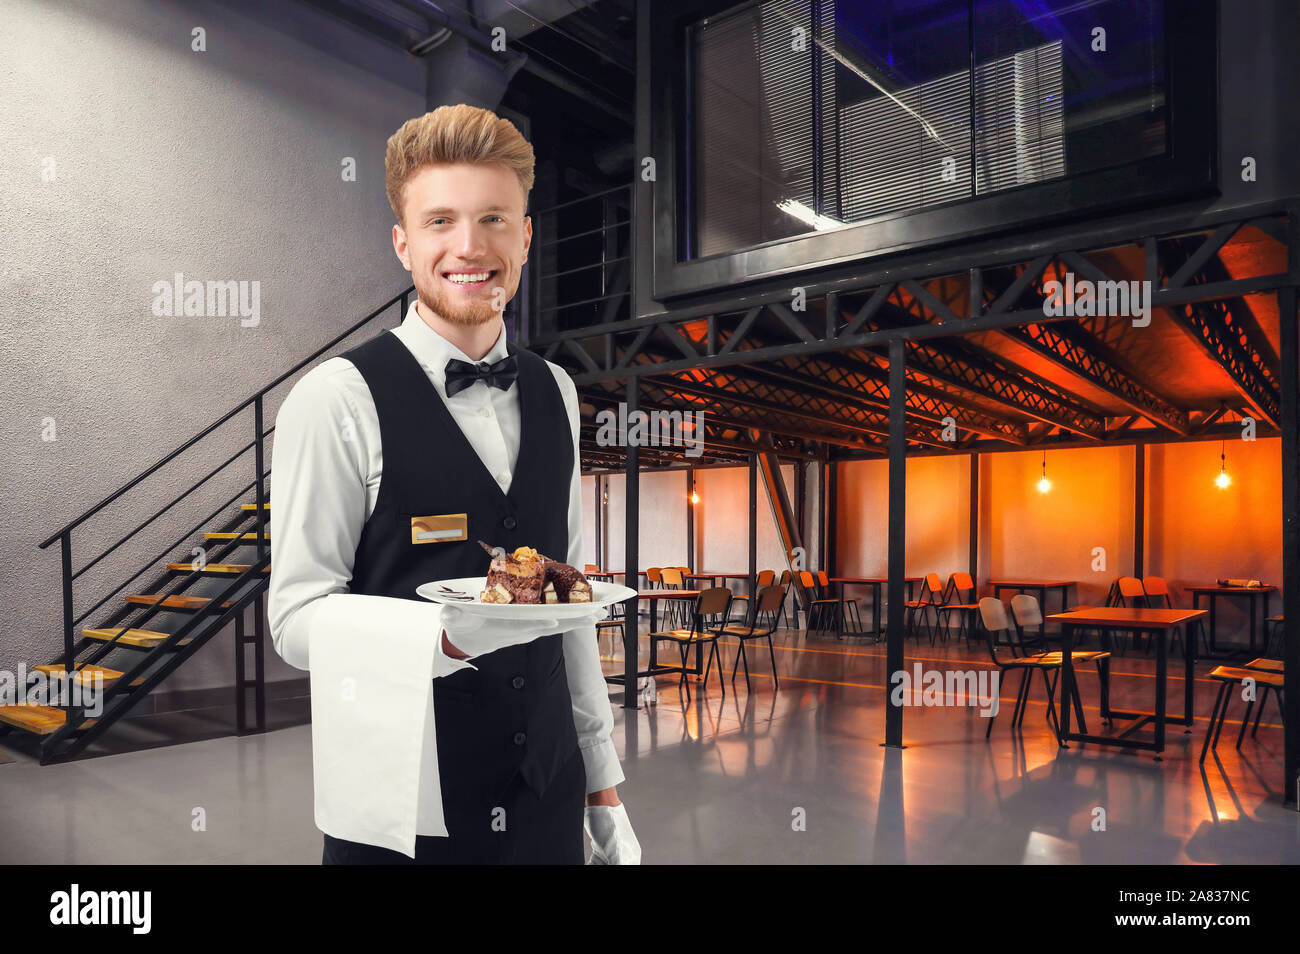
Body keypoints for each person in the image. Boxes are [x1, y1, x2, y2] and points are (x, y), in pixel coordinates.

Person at [268, 103, 640, 864]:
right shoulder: (336, 398)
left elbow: (571, 606)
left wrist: (600, 779)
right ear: (404, 244)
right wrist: (437, 636)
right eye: (440, 221)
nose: (470, 247)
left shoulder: (558, 391)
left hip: (546, 791)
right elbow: (296, 622)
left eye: (494, 218)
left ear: (526, 237)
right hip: (401, 812)